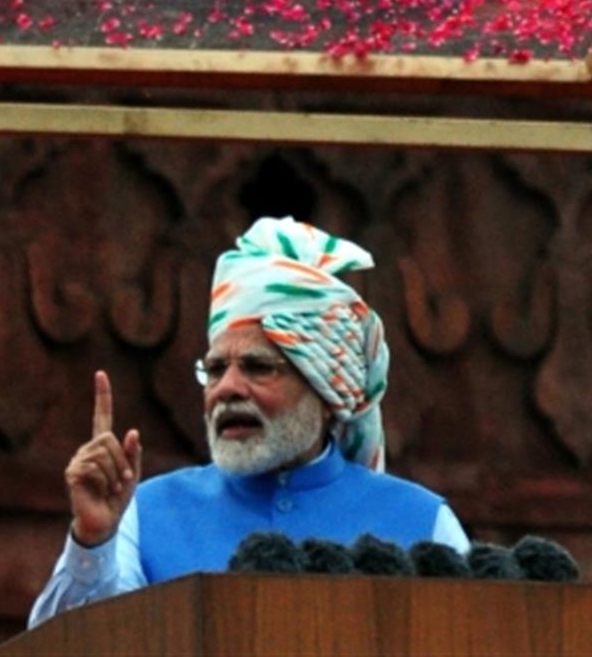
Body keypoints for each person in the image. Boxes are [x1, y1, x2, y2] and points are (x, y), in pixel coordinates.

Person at [29, 216, 470, 627]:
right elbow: (74, 647)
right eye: (216, 369)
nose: (227, 389)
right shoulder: (145, 514)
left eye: (259, 368)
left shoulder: (424, 524)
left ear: (324, 389)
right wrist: (92, 541)